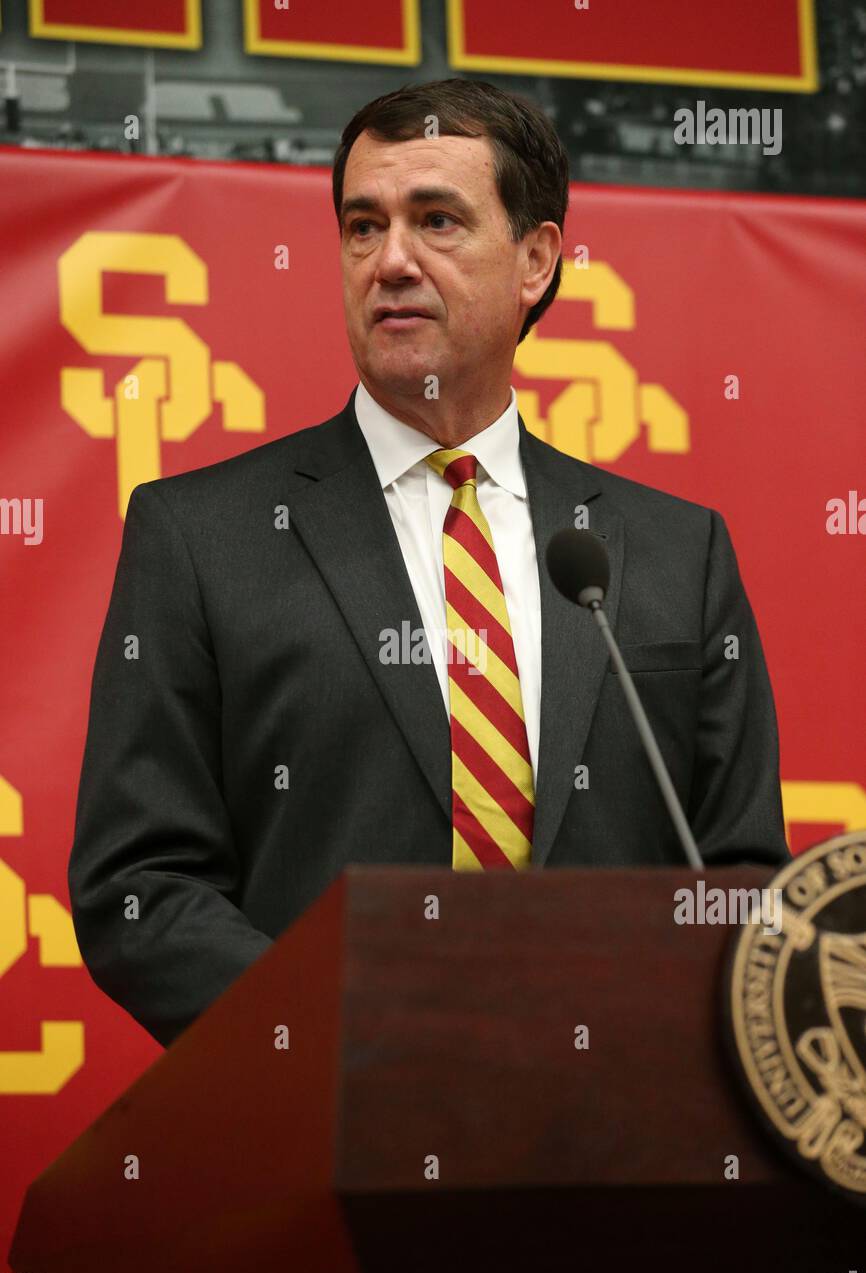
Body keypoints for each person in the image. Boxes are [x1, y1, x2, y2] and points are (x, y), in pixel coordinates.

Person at [68, 79, 790, 1049]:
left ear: (535, 260)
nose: (391, 260)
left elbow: (738, 878)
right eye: (362, 227)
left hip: (614, 1140)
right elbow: (140, 888)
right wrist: (356, 1031)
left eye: (436, 220)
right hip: (324, 1136)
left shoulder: (672, 551)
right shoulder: (200, 537)